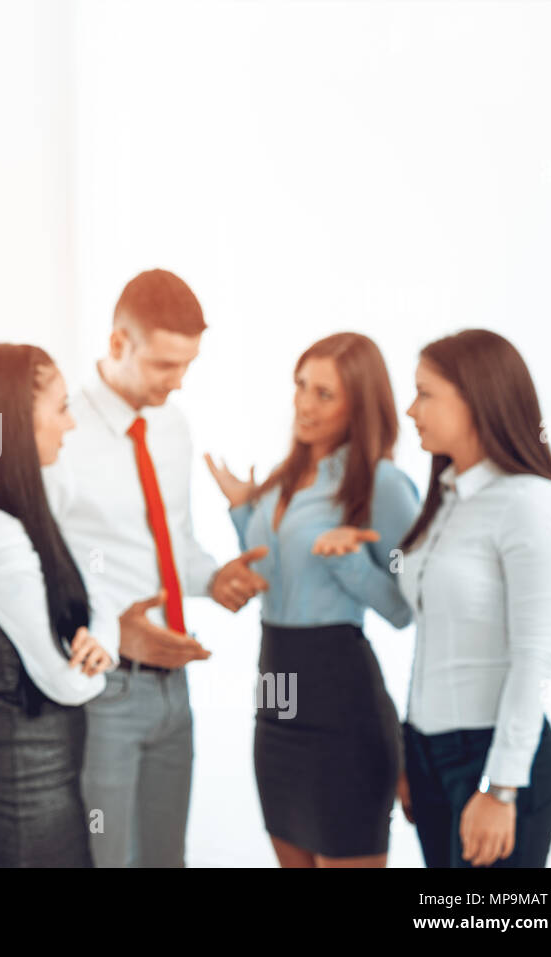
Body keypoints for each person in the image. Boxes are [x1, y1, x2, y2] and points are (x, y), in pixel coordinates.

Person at [45, 268, 270, 868]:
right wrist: (116, 630)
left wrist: (213, 578)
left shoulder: (172, 426)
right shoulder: (59, 431)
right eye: (165, 366)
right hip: (103, 685)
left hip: (175, 686)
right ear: (118, 343)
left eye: (188, 366)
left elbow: (176, 542)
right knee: (105, 859)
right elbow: (38, 573)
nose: (178, 384)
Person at [205, 332, 420, 867]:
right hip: (276, 697)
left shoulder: (382, 484)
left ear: (359, 405)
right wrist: (241, 512)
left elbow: (403, 608)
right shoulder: (283, 481)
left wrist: (347, 562)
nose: (304, 403)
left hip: (339, 699)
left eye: (325, 394)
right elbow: (275, 579)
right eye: (301, 385)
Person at [392, 329, 551, 868]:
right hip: (429, 754)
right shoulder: (446, 498)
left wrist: (501, 788)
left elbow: (534, 656)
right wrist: (411, 749)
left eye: (425, 394)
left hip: (495, 760)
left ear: (477, 399)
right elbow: (428, 633)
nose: (410, 409)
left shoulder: (530, 502)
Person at [0, 344, 116, 867]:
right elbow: (65, 681)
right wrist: (104, 664)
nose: (71, 425)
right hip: (19, 789)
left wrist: (101, 638)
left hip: (45, 778)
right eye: (61, 408)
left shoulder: (7, 496)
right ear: (18, 420)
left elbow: (97, 592)